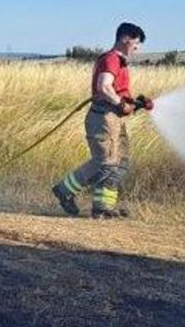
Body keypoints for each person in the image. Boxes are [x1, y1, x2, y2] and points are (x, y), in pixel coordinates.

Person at [52, 22, 154, 219]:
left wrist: (137, 103)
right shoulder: (111, 59)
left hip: (115, 118)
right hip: (104, 117)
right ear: (125, 38)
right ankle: (64, 190)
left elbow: (116, 91)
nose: (137, 48)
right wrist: (121, 104)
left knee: (119, 163)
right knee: (104, 162)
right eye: (136, 43)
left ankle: (103, 207)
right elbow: (104, 87)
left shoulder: (119, 61)